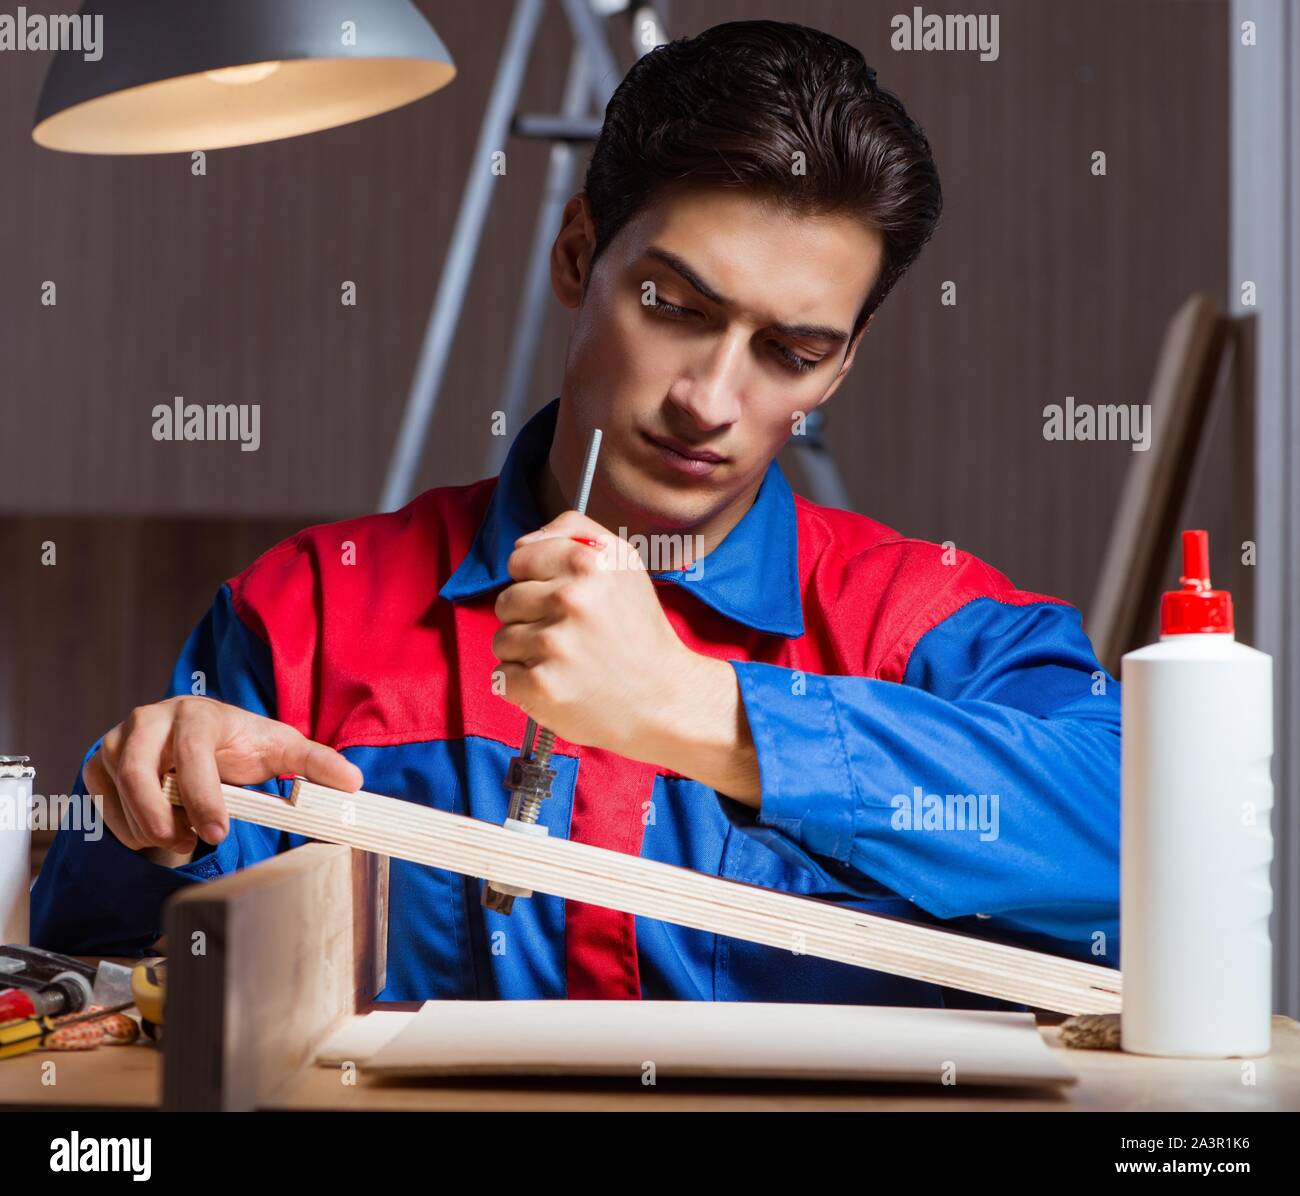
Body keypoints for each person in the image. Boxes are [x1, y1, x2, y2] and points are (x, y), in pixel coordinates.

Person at [31, 20, 1120, 1005]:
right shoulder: (305, 614)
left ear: (838, 368)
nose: (709, 400)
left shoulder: (928, 623)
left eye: (791, 352)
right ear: (572, 255)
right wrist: (148, 817)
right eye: (675, 308)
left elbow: (1146, 838)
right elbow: (107, 973)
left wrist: (707, 713)